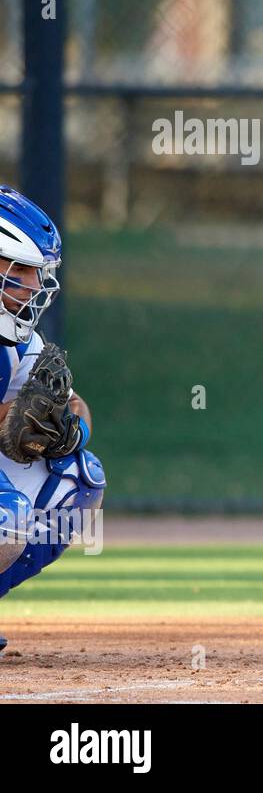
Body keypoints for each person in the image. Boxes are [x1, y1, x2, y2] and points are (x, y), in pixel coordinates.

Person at [0, 185, 104, 655]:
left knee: (78, 478)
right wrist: (10, 417)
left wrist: (67, 430)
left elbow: (76, 405)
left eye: (35, 273)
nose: (31, 286)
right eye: (18, 269)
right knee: (6, 514)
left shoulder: (18, 342)